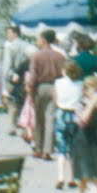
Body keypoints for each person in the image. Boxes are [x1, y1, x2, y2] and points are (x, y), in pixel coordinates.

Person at [24, 29, 66, 161]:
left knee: (39, 119)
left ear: (43, 40)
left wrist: (30, 90)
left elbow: (33, 75)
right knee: (50, 119)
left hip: (40, 87)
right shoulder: (60, 56)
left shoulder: (36, 56)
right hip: (55, 87)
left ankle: (38, 148)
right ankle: (48, 150)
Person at [51, 58, 84, 190]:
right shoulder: (80, 84)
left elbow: (55, 99)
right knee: (73, 147)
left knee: (61, 147)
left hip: (61, 113)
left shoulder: (58, 82)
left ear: (64, 71)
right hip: (75, 114)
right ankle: (72, 177)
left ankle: (60, 176)